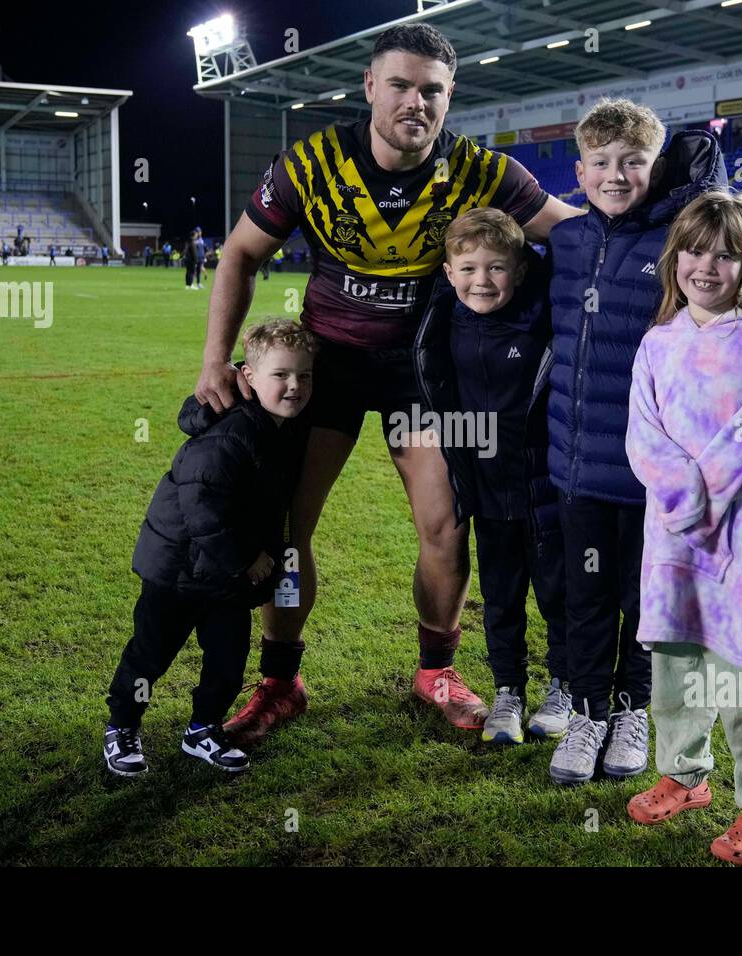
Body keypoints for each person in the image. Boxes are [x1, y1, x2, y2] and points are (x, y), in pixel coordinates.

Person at [194, 23, 583, 749]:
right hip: (326, 372)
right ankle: (281, 681)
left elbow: (574, 234)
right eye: (400, 85)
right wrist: (217, 359)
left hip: (425, 378)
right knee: (285, 533)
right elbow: (240, 254)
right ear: (369, 88)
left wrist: (669, 235)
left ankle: (436, 671)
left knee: (444, 525)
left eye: (431, 90)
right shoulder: (310, 163)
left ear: (449, 96)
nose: (416, 101)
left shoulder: (481, 170)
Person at [543, 99, 742, 786]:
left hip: (656, 486)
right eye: (601, 165)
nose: (616, 177)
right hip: (579, 468)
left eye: (632, 164)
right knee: (582, 603)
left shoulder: (681, 241)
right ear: (580, 173)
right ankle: (588, 714)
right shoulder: (564, 243)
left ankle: (632, 713)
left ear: (655, 169)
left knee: (653, 608)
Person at [623, 189, 742, 865]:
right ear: (676, 257)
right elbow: (643, 436)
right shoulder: (656, 343)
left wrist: (700, 496)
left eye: (726, 256)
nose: (707, 267)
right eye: (696, 251)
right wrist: (679, 498)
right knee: (676, 664)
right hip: (673, 542)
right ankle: (684, 773)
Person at [103, 320, 316, 777]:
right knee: (151, 654)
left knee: (227, 661)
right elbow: (201, 506)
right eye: (280, 375)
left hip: (226, 581)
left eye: (304, 375)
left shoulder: (283, 429)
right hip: (178, 573)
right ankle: (121, 726)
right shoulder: (230, 432)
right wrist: (246, 558)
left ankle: (203, 729)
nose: (294, 386)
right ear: (249, 376)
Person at [415, 208, 570, 744]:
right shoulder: (442, 315)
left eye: (497, 268)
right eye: (469, 268)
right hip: (486, 484)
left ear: (521, 271)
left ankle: (563, 688)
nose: (482, 280)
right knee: (501, 596)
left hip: (544, 481)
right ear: (448, 272)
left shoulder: (540, 310)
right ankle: (507, 690)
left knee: (557, 592)